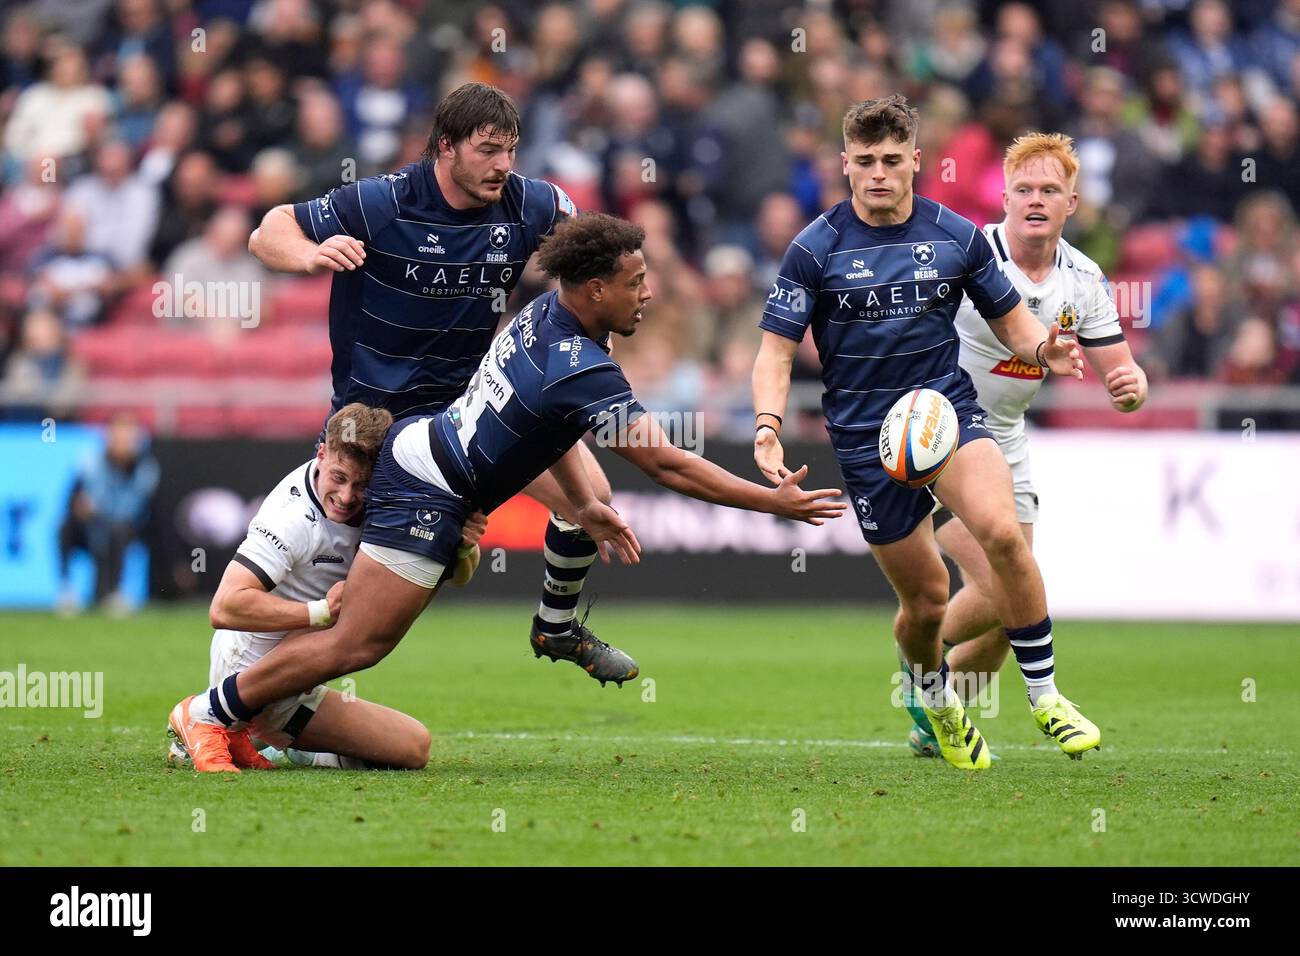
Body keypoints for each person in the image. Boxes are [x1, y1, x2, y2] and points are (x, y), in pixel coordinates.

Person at [172, 212, 846, 772]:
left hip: (438, 458)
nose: (649, 293)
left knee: (592, 501)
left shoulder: (552, 314)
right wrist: (772, 502)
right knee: (356, 643)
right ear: (591, 290)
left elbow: (552, 430)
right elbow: (669, 466)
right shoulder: (581, 367)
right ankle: (209, 715)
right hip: (428, 488)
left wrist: (583, 504)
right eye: (634, 282)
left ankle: (555, 628)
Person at [751, 95, 1100, 771]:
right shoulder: (814, 250)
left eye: (891, 160)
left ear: (916, 161)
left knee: (1003, 534)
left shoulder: (957, 236)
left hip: (948, 413)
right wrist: (768, 427)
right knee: (927, 602)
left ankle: (1047, 695)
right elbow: (775, 353)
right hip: (865, 440)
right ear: (844, 164)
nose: (878, 173)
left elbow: (1012, 325)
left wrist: (1045, 350)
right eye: (864, 161)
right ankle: (937, 700)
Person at [247, 82, 637, 686]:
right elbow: (268, 229)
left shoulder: (532, 206)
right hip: (371, 424)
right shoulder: (383, 201)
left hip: (467, 412)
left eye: (511, 150)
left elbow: (592, 259)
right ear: (446, 147)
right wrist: (311, 256)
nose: (503, 165)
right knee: (339, 607)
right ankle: (243, 700)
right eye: (488, 150)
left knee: (594, 502)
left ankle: (554, 627)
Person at [900, 133, 1148, 757]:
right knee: (1001, 589)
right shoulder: (967, 251)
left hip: (1006, 439)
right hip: (939, 431)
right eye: (1024, 189)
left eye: (1050, 191)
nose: (1035, 200)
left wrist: (1133, 386)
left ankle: (934, 711)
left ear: (1072, 203)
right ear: (1004, 196)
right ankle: (919, 669)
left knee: (1012, 618)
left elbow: (1122, 372)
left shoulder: (1084, 277)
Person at [167, 403, 484, 773]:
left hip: (302, 676)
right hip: (255, 674)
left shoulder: (387, 500)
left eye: (360, 485)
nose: (347, 497)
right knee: (409, 742)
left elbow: (454, 578)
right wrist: (319, 611)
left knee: (412, 749)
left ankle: (277, 742)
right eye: (338, 477)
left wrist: (458, 544)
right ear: (321, 453)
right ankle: (211, 714)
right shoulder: (292, 519)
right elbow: (225, 608)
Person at [58, 412, 159, 614]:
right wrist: (81, 506)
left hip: (126, 527)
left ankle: (115, 591)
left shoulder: (146, 469)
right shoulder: (90, 462)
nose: (123, 441)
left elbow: (148, 511)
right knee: (64, 528)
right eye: (118, 435)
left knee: (118, 531)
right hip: (92, 524)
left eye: (128, 436)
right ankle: (67, 588)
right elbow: (72, 500)